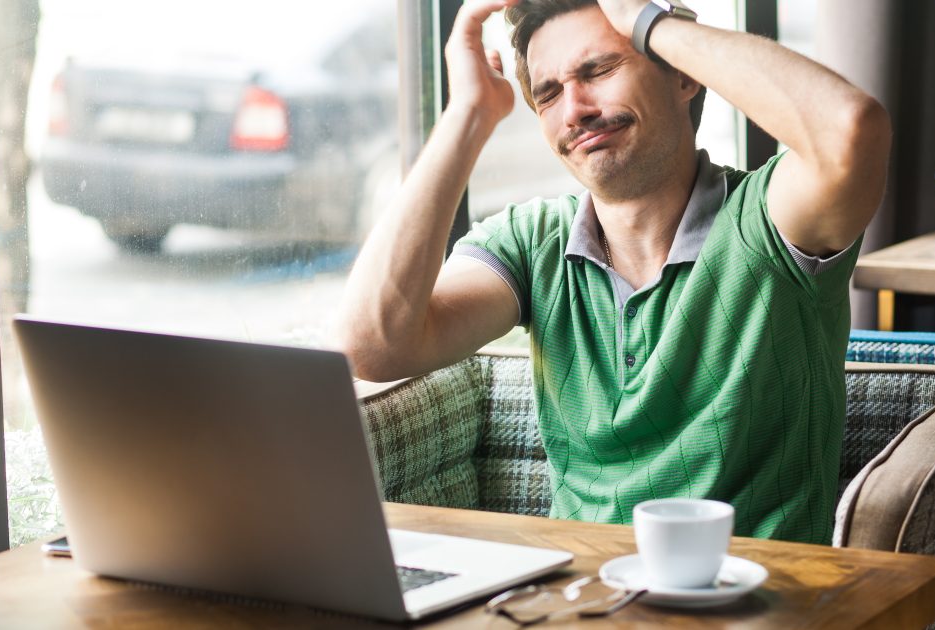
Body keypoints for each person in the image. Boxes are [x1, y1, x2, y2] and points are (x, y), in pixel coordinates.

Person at [335, 0, 891, 545]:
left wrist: (646, 20)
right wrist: (468, 116)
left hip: (755, 603)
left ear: (682, 79)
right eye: (548, 94)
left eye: (598, 70)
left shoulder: (768, 219)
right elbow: (376, 344)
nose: (573, 108)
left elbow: (851, 130)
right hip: (571, 599)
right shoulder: (533, 243)